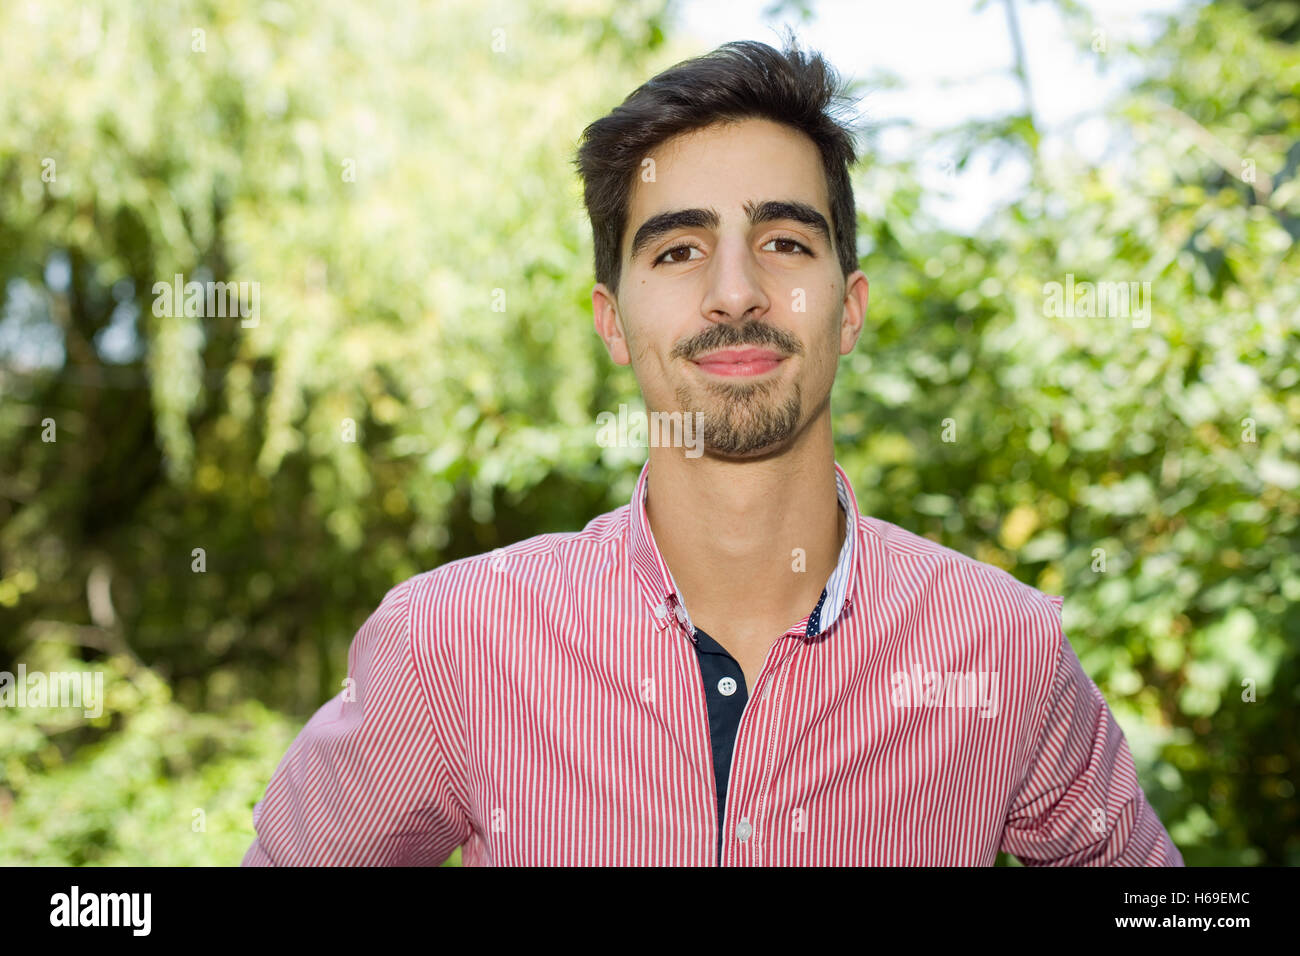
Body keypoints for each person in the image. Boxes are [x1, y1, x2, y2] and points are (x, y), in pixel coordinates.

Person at [242, 37, 1183, 867]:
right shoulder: (453, 646)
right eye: (679, 251)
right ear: (613, 323)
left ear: (848, 309)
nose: (736, 293)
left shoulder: (1002, 649)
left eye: (781, 240)